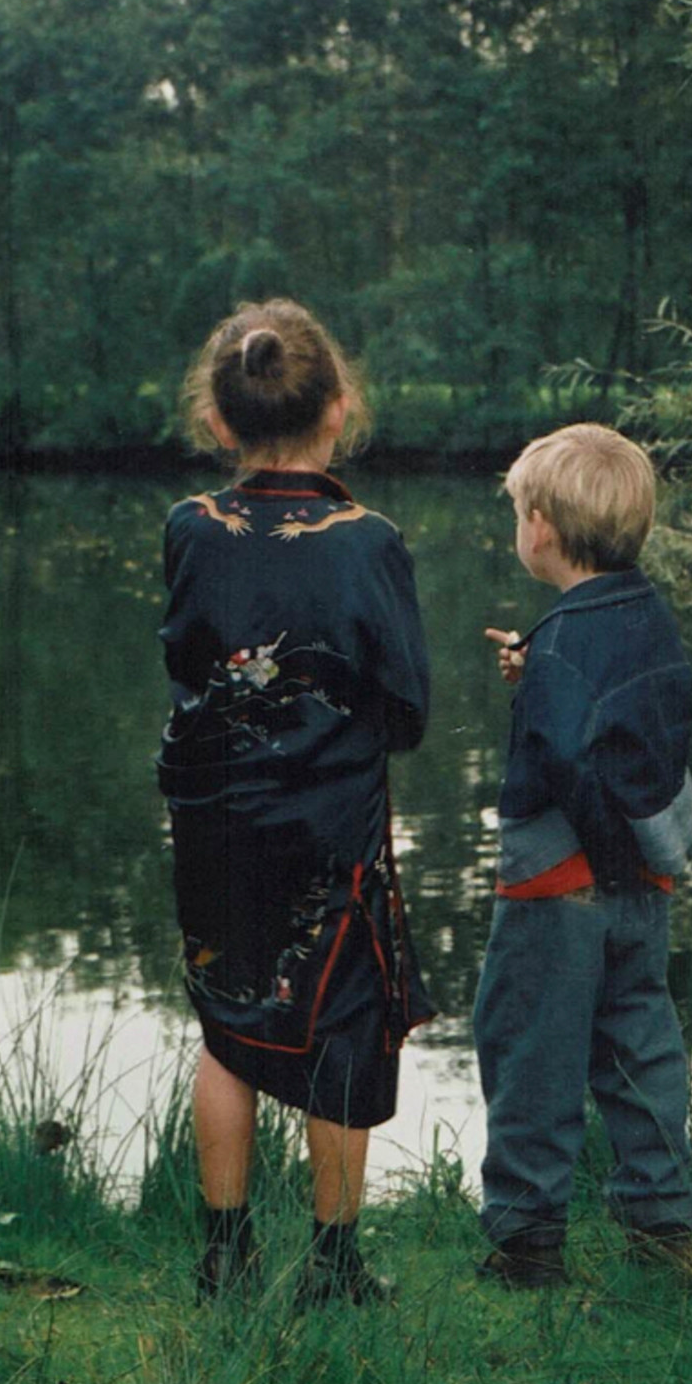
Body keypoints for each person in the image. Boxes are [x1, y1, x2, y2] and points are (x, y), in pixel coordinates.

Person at [158, 299, 433, 1306]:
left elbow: (187, 660)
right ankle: (332, 1266)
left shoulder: (188, 526)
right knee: (342, 1035)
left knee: (225, 1032)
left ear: (220, 423)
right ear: (340, 408)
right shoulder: (369, 540)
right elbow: (405, 706)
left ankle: (224, 1257)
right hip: (331, 833)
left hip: (212, 826)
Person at [473, 422, 692, 1289]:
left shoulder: (565, 644)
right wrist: (537, 673)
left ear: (541, 526)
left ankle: (527, 1242)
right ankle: (665, 1227)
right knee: (641, 1045)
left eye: (518, 514)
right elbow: (623, 718)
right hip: (643, 882)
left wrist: (545, 680)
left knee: (529, 1051)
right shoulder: (644, 615)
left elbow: (571, 756)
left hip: (559, 886)